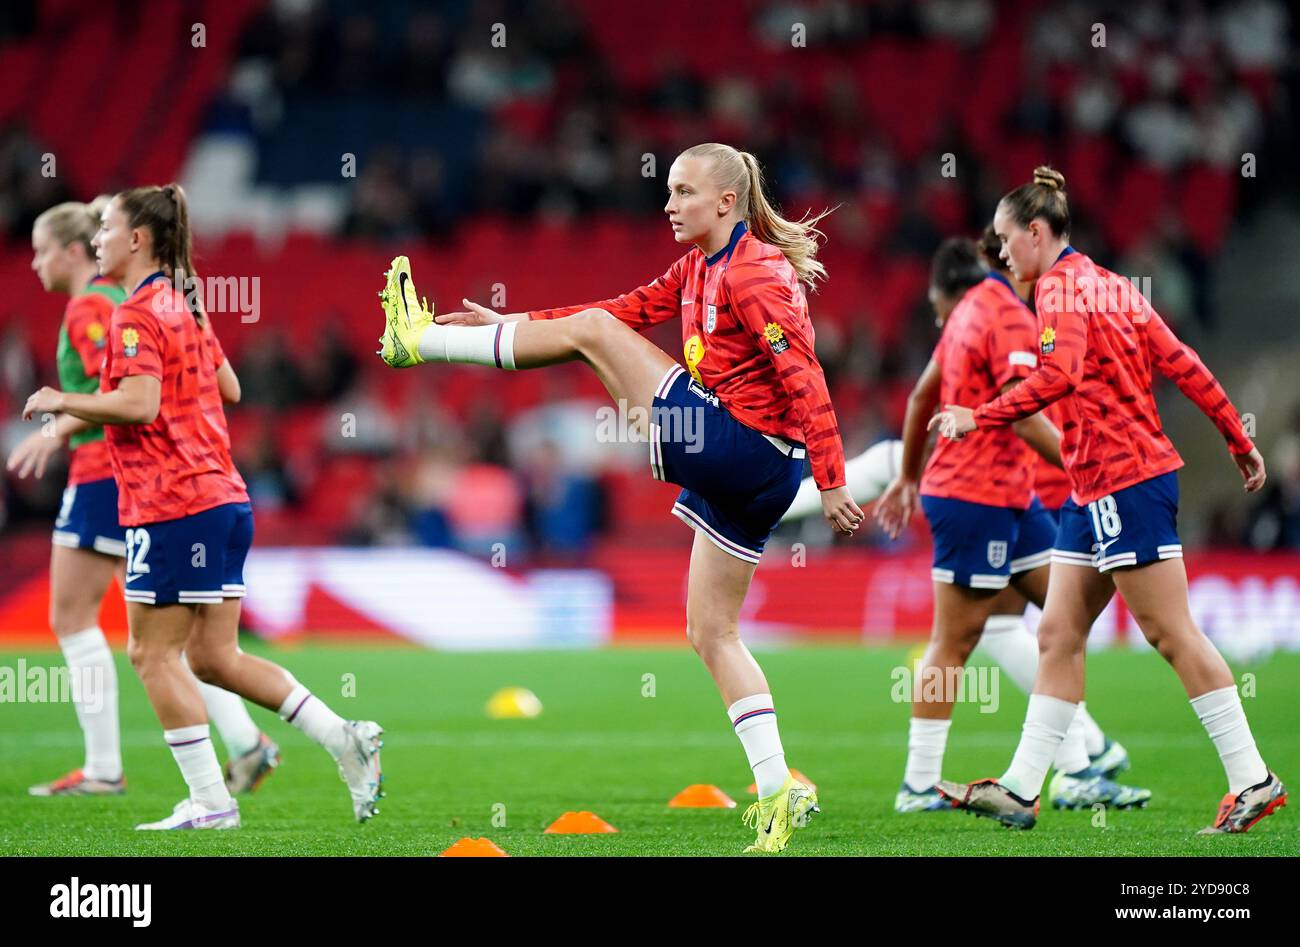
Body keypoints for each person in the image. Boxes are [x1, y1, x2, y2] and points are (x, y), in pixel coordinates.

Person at [376, 143, 860, 853]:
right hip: (747, 463)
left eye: (684, 191)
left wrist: (834, 475)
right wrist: (517, 323)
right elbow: (621, 310)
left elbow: (804, 374)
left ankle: (420, 341)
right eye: (668, 190)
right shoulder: (699, 266)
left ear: (726, 202)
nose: (668, 204)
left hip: (746, 449)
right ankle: (778, 788)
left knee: (598, 337)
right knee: (710, 630)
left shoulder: (755, 271)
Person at [930, 167, 1285, 834]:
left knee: (1170, 632)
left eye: (1007, 241)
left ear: (1037, 233)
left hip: (1125, 478)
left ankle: (1253, 777)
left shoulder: (1061, 290)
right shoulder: (1114, 286)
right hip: (1093, 485)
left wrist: (981, 415)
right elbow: (1181, 360)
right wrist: (1238, 438)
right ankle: (1021, 788)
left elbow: (1059, 374)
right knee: (1059, 633)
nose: (1002, 255)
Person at [23, 184, 383, 830]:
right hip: (223, 497)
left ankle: (212, 804)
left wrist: (62, 401)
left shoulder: (135, 312)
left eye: (105, 228)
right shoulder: (183, 304)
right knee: (214, 658)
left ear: (137, 239)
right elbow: (231, 385)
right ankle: (343, 736)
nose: (97, 238)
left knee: (151, 654)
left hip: (170, 502)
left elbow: (138, 404)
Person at [10, 198, 280, 798]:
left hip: (114, 476)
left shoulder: (90, 309)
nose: (32, 264)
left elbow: (128, 397)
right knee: (171, 637)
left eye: (40, 249)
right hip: (163, 480)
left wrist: (57, 425)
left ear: (74, 250)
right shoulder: (141, 298)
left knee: (81, 620)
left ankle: (107, 767)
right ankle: (244, 742)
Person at [869, 235, 1147, 813]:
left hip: (1010, 498)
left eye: (932, 301)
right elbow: (1021, 419)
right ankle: (919, 785)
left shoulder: (968, 313)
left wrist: (908, 476)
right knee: (955, 641)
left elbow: (922, 395)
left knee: (1063, 621)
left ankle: (1074, 769)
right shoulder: (1005, 317)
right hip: (978, 498)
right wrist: (1082, 465)